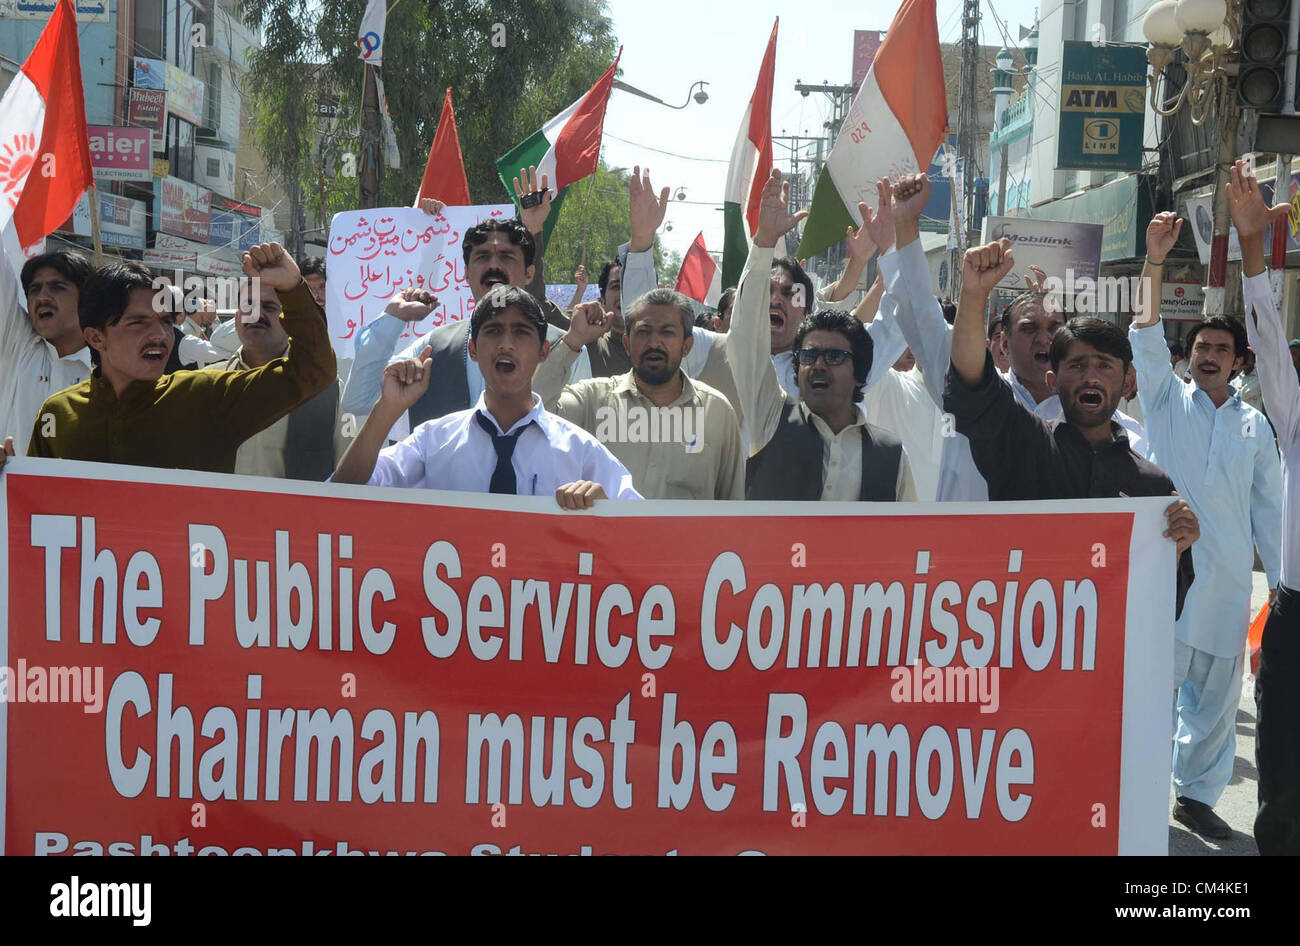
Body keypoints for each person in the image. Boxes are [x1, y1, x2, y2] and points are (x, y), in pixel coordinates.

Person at [1130, 209, 1282, 841]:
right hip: (1164, 584)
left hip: (1224, 591)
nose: (1210, 356)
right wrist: (1155, 261)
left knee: (1217, 709)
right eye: (1200, 348)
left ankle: (1195, 797)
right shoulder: (1166, 399)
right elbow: (1143, 327)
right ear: (1185, 358)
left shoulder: (1253, 426)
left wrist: (1281, 583)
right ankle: (1135, 789)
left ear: (1239, 361)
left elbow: (1270, 507)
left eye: (1221, 348)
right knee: (1149, 698)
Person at [941, 236, 1199, 609]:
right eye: (1077, 366)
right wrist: (973, 294)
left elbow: (1160, 608)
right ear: (1053, 381)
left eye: (1104, 366)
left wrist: (1178, 544)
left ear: (1127, 382)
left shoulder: (1153, 486)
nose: (1091, 378)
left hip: (1103, 664)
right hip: (1018, 649)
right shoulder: (1024, 442)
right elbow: (972, 383)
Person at [879, 172, 1148, 501]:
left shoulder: (1102, 423)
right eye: (1029, 329)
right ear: (1002, 343)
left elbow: (1142, 498)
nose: (1044, 339)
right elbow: (918, 311)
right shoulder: (973, 390)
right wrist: (906, 224)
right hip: (967, 550)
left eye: (1054, 329)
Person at [27, 245, 337, 472]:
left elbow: (314, 370)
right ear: (95, 337)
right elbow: (29, 513)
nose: (160, 335)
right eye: (139, 322)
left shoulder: (208, 396)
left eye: (165, 321)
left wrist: (292, 288)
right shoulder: (57, 416)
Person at [333, 285, 640, 508]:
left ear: (543, 351)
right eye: (493, 331)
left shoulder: (580, 451)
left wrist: (606, 508)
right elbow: (343, 493)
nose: (506, 344)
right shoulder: (433, 441)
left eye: (521, 332)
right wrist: (386, 409)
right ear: (474, 350)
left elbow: (643, 526)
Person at [340, 176, 594, 429]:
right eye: (482, 257)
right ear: (466, 274)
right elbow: (358, 401)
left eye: (506, 257)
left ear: (529, 273)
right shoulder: (435, 348)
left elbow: (579, 436)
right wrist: (393, 318)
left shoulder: (568, 350)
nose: (494, 265)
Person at [732, 169, 913, 501]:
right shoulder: (762, 397)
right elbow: (742, 333)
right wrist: (763, 242)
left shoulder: (889, 455)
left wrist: (893, 251)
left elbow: (899, 324)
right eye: (809, 357)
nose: (819, 367)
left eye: (789, 293)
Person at [1226, 158, 1300, 854]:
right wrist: (1252, 245)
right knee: (1280, 772)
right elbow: (1268, 337)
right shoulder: (1295, 409)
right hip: (1296, 616)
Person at [534, 290, 745, 500]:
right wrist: (573, 339)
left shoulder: (718, 413)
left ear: (687, 346)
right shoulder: (593, 400)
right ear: (627, 343)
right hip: (607, 534)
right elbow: (537, 415)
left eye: (667, 332)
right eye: (644, 332)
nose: (654, 343)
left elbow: (733, 510)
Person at [215, 275, 353, 480]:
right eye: (248, 306)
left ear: (289, 320)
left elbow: (349, 475)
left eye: (269, 307)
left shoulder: (327, 391)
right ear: (237, 318)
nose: (256, 315)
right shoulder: (209, 385)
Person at [1, 251, 94, 455]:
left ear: (86, 298)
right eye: (34, 290)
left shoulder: (111, 370)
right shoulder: (17, 343)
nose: (42, 297)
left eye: (57, 287)